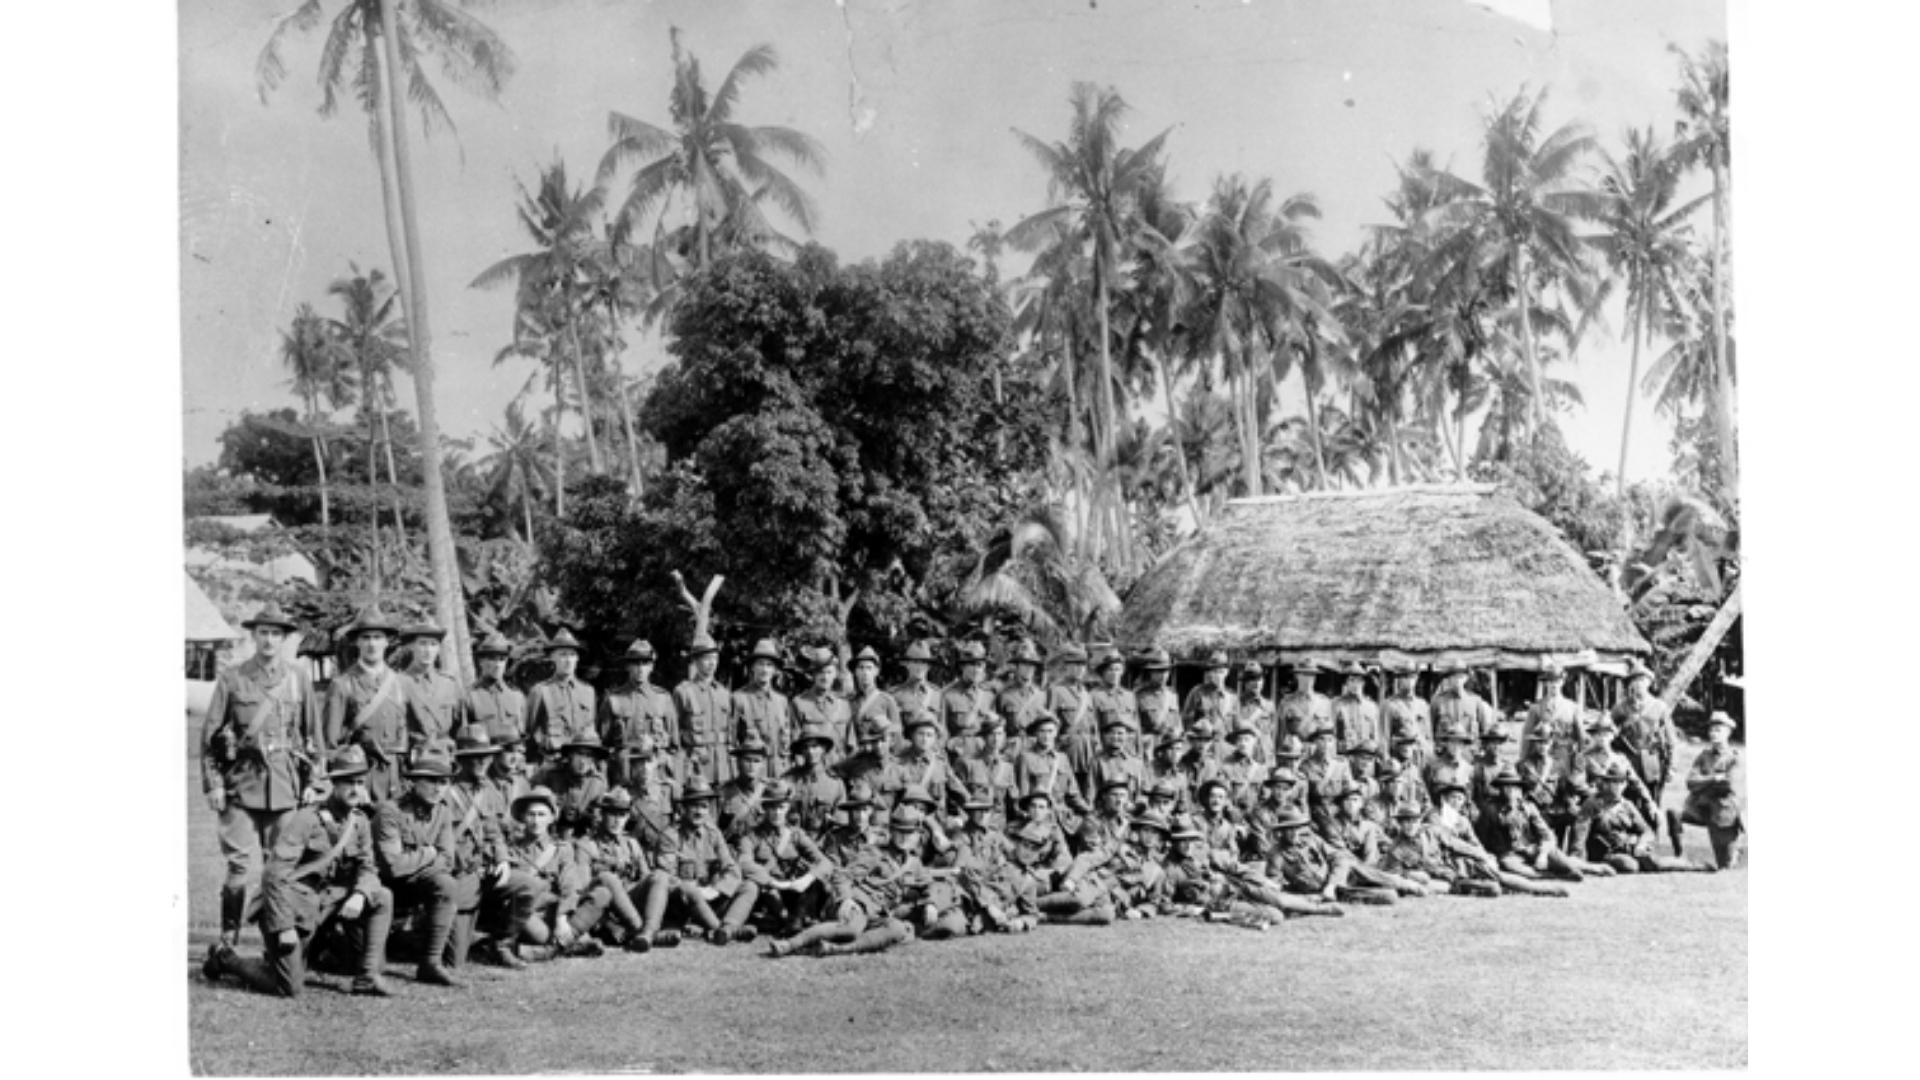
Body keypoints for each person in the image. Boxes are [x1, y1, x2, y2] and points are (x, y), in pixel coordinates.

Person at [203, 746, 392, 997]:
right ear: (334, 783)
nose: (356, 789)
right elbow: (273, 874)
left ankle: (367, 977)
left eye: (360, 782)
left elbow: (369, 867)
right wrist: (283, 927)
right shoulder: (307, 819)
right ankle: (226, 959)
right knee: (288, 987)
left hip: (328, 904)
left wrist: (360, 894)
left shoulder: (359, 821)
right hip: (294, 907)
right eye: (348, 782)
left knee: (382, 896)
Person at [201, 601, 320, 949]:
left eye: (276, 634)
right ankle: (228, 940)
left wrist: (315, 782)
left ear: (284, 639)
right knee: (238, 867)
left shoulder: (297, 679)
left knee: (277, 866)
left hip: (284, 786)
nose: (269, 640)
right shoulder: (233, 678)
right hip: (241, 784)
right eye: (263, 633)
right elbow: (209, 737)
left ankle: (274, 940)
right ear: (254, 636)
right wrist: (214, 784)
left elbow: (314, 737)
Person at [766, 807, 926, 958]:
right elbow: (843, 876)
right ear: (891, 832)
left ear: (917, 836)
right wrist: (846, 899)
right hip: (859, 903)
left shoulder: (914, 863)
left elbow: (929, 884)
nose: (905, 838)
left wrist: (931, 903)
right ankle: (789, 944)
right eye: (900, 832)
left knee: (897, 928)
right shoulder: (875, 853)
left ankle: (836, 949)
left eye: (910, 833)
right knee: (851, 929)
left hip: (879, 914)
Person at [371, 747, 466, 986]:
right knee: (367, 964)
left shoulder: (442, 811)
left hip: (417, 882)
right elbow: (392, 867)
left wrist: (420, 860)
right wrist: (429, 853)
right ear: (414, 782)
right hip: (385, 887)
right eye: (431, 781)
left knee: (446, 883)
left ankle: (430, 963)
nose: (438, 788)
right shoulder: (390, 811)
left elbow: (448, 859)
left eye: (444, 782)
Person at [444, 727, 534, 971]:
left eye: (487, 756)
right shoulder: (445, 793)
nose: (484, 761)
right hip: (461, 874)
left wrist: (502, 860)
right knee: (455, 960)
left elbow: (493, 833)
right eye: (476, 756)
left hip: (486, 872)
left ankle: (501, 943)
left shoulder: (488, 791)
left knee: (528, 885)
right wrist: (470, 869)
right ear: (461, 759)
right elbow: (442, 844)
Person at [500, 785, 605, 961]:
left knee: (602, 894)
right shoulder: (512, 850)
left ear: (551, 818)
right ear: (523, 818)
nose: (536, 820)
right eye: (531, 814)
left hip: (555, 912)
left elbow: (569, 886)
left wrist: (561, 919)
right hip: (527, 915)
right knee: (539, 932)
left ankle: (550, 947)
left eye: (541, 815)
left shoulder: (562, 849)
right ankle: (560, 946)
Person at [324, 606, 411, 803]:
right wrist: (352, 783)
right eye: (366, 637)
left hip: (396, 778)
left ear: (387, 641)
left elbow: (408, 734)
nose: (372, 644)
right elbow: (331, 745)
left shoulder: (400, 683)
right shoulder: (342, 684)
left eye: (377, 637)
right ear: (356, 642)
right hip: (360, 777)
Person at [573, 788, 674, 951]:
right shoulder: (586, 845)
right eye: (612, 814)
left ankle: (647, 932)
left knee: (660, 876)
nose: (617, 821)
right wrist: (606, 923)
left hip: (631, 904)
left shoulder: (631, 843)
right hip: (605, 910)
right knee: (608, 878)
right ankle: (642, 932)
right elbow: (583, 893)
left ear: (628, 817)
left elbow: (646, 879)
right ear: (602, 815)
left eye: (622, 815)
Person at [1430, 781, 1569, 897]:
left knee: (1496, 875)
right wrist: (1480, 855)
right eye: (1452, 798)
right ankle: (1539, 888)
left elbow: (1475, 843)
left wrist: (1486, 856)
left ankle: (1545, 889)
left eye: (1460, 798)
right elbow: (1450, 842)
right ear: (1443, 799)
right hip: (1441, 863)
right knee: (1492, 882)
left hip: (1463, 861)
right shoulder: (1435, 817)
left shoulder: (1462, 820)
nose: (1456, 802)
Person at [1572, 762, 1714, 874]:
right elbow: (1580, 833)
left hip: (1629, 848)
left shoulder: (1627, 805)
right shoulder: (1593, 804)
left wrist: (1641, 844)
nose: (1618, 787)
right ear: (1606, 784)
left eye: (1621, 783)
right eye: (1613, 782)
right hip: (1604, 853)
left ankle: (1697, 866)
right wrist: (1578, 861)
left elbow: (1646, 830)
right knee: (1629, 865)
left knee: (1654, 862)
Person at [1478, 764, 1613, 882]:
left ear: (1520, 790)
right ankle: (1551, 875)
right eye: (1506, 788)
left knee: (1564, 863)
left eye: (1514, 788)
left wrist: (1542, 855)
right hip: (1509, 855)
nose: (1511, 792)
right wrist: (1489, 857)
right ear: (1500, 790)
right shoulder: (1489, 810)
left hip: (1533, 850)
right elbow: (1480, 839)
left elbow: (1547, 835)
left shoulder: (1528, 807)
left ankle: (1592, 868)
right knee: (1519, 870)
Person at [734, 780, 833, 938]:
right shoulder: (751, 837)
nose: (777, 812)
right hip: (769, 890)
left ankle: (794, 921)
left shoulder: (795, 835)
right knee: (757, 889)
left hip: (792, 890)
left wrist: (806, 879)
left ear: (787, 808)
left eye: (781, 807)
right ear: (764, 809)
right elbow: (744, 863)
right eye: (772, 807)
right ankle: (791, 921)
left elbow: (825, 862)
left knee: (816, 884)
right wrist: (773, 882)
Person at [1321, 785, 1435, 898]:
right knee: (1392, 885)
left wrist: (1398, 857)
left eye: (1355, 800)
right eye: (1347, 800)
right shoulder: (1332, 825)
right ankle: (1410, 886)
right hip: (1347, 870)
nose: (1351, 804)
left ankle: (1407, 884)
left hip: (1372, 870)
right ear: (1341, 804)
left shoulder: (1369, 826)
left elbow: (1387, 843)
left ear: (1361, 804)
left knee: (1390, 894)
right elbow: (1341, 853)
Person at [598, 640, 676, 789]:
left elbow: (674, 745)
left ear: (652, 666)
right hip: (623, 774)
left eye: (645, 663)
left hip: (654, 774)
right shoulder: (613, 699)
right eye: (635, 663)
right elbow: (603, 745)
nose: (640, 669)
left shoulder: (663, 698)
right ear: (628, 666)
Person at [1673, 711, 1745, 869]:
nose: (1713, 734)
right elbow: (1690, 782)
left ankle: (1735, 850)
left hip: (1723, 811)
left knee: (1724, 866)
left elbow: (1729, 785)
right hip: (1701, 806)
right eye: (1711, 730)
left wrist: (1703, 783)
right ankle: (1679, 853)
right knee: (1674, 813)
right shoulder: (1703, 756)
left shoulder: (1734, 758)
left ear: (1728, 732)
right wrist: (1714, 779)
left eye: (1718, 730)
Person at [1611, 659, 1678, 813]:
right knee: (1628, 805)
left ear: (1649, 682)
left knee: (1653, 806)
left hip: (1652, 762)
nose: (1639, 684)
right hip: (1628, 761)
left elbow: (1671, 740)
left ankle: (1653, 835)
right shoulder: (1621, 707)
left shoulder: (1659, 707)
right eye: (1635, 680)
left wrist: (1672, 768)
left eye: (1642, 680)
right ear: (1630, 684)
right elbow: (1609, 732)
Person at [526, 629, 596, 768]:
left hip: (581, 764)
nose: (568, 660)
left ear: (577, 659)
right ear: (553, 657)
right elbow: (529, 733)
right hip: (552, 763)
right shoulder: (540, 691)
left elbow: (592, 729)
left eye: (572, 655)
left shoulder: (588, 691)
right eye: (563, 655)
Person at [674, 632, 733, 786]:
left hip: (722, 766)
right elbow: (674, 734)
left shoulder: (724, 694)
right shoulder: (684, 692)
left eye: (714, 658)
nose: (711, 663)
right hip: (696, 765)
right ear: (696, 661)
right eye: (707, 658)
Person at [1013, 712, 1087, 834]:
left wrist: (1089, 810)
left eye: (1050, 731)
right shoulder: (1026, 758)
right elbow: (1023, 795)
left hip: (1063, 818)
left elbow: (1073, 793)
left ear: (1056, 733)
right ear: (1036, 733)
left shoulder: (1062, 758)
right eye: (1042, 731)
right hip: (1039, 817)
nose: (1046, 736)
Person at [400, 620, 465, 754]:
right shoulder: (399, 682)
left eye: (433, 644)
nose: (428, 650)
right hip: (415, 755)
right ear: (412, 646)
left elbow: (460, 727)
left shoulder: (449, 683)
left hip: (446, 755)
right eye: (422, 643)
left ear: (439, 648)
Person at [733, 640, 795, 778]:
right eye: (760, 664)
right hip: (751, 772)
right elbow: (732, 742)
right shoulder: (739, 698)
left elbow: (787, 739)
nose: (764, 669)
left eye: (769, 665)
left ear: (774, 670)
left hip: (778, 771)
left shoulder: (781, 701)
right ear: (752, 668)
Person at [533, 732, 611, 839]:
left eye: (589, 756)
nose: (583, 761)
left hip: (581, 838)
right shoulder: (549, 775)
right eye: (579, 754)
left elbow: (597, 820)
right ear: (570, 755)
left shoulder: (597, 783)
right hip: (547, 835)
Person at [892, 712, 968, 820]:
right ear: (912, 735)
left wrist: (965, 815)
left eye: (929, 735)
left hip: (937, 822)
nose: (924, 739)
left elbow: (958, 791)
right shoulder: (899, 763)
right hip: (907, 825)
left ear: (935, 738)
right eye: (920, 734)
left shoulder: (940, 763)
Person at [1518, 660, 1584, 773]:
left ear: (1563, 682)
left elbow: (1581, 738)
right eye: (1550, 681)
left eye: (1557, 680)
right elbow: (1527, 738)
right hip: (1542, 758)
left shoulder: (1573, 708)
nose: (1554, 684)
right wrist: (1523, 760)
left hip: (1565, 757)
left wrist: (1580, 761)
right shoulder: (1536, 708)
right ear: (1546, 683)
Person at [953, 717, 1017, 831]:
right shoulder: (967, 763)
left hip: (998, 827)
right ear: (984, 737)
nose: (996, 738)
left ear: (1004, 736)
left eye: (999, 734)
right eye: (991, 734)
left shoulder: (1008, 767)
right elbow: (956, 797)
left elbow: (1012, 802)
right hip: (972, 824)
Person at [464, 634, 528, 746]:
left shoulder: (517, 696)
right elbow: (463, 739)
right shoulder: (470, 696)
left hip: (512, 759)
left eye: (502, 659)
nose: (497, 665)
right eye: (492, 659)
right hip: (485, 759)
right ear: (481, 661)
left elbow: (523, 734)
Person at [783, 723, 846, 836]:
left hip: (824, 844)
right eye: (806, 747)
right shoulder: (788, 780)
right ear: (801, 751)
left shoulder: (835, 783)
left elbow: (841, 822)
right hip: (793, 842)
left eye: (815, 746)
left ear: (823, 749)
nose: (810, 752)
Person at [940, 641, 998, 761]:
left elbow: (995, 730)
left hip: (983, 754)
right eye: (971, 665)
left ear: (984, 668)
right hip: (958, 753)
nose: (976, 670)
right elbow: (942, 731)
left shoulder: (988, 695)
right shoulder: (947, 694)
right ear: (962, 667)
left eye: (979, 665)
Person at [1084, 649, 1138, 768]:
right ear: (1103, 673)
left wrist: (1138, 751)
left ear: (1122, 671)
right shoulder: (1094, 696)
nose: (1114, 673)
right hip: (1106, 753)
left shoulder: (1130, 696)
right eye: (1110, 669)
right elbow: (1093, 727)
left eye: (1117, 669)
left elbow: (1136, 726)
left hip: (1128, 751)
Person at [717, 731, 775, 840]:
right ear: (738, 762)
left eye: (756, 761)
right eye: (747, 760)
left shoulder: (770, 790)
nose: (751, 765)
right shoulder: (723, 792)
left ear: (763, 764)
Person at [836, 646, 888, 761]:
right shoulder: (847, 701)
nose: (865, 672)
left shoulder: (887, 700)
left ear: (876, 671)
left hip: (877, 758)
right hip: (853, 758)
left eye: (869, 668)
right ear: (855, 672)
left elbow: (896, 736)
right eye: (861, 668)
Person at [887, 641, 942, 748]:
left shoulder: (937, 694)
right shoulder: (895, 695)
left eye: (923, 663)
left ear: (929, 666)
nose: (919, 667)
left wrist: (937, 747)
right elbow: (893, 731)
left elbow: (942, 728)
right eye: (915, 662)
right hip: (905, 753)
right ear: (907, 664)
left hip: (932, 752)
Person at [1046, 644, 1094, 765]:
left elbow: (1094, 726)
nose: (1080, 669)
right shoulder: (1056, 690)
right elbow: (1049, 722)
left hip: (1088, 751)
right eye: (1076, 664)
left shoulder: (1086, 694)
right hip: (1066, 750)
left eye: (1083, 665)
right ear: (1066, 666)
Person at [1299, 726, 1355, 830]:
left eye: (1329, 740)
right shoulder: (1306, 766)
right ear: (1315, 742)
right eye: (1321, 739)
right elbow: (1303, 798)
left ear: (1333, 743)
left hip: (1338, 814)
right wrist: (1308, 820)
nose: (1325, 744)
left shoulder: (1341, 764)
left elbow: (1349, 792)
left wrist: (1346, 813)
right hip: (1316, 815)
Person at [1380, 661, 1433, 768]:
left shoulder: (1423, 705)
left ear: (1416, 679)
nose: (1408, 681)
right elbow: (1383, 738)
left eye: (1411, 677)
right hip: (1399, 759)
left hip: (1420, 758)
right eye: (1404, 677)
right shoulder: (1390, 705)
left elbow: (1428, 736)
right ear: (1398, 680)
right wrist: (1387, 762)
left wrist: (1429, 757)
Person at [819, 781, 885, 867]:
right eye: (856, 811)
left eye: (865, 810)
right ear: (849, 812)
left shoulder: (879, 838)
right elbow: (833, 868)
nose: (860, 816)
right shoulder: (835, 837)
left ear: (871, 811)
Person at [1084, 716, 1146, 807]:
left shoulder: (1136, 763)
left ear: (1127, 736)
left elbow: (1142, 793)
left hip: (1130, 811)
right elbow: (1090, 793)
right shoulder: (1097, 761)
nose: (1116, 737)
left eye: (1120, 733)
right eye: (1112, 733)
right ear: (1105, 736)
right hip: (1105, 811)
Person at [1430, 663, 1498, 747]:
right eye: (1454, 676)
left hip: (1470, 752)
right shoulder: (1438, 702)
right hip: (1446, 753)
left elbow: (1483, 731)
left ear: (1466, 678)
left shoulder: (1475, 701)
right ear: (1449, 679)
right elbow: (1430, 731)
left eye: (1461, 676)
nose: (1457, 680)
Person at [1181, 651, 1238, 748]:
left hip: (1225, 746)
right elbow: (1187, 722)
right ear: (1210, 672)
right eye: (1214, 671)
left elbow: (1236, 725)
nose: (1217, 675)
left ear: (1227, 672)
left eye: (1221, 671)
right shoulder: (1198, 693)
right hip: (1203, 745)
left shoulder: (1232, 697)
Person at [1213, 721, 1269, 816]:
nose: (1243, 743)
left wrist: (1257, 814)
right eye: (1239, 740)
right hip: (1232, 817)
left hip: (1256, 817)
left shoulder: (1261, 770)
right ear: (1235, 743)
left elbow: (1265, 797)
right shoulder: (1226, 767)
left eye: (1247, 740)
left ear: (1254, 742)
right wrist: (1232, 811)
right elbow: (1222, 795)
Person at [1133, 647, 1181, 748]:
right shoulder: (1139, 696)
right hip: (1149, 747)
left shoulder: (1172, 696)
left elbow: (1179, 724)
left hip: (1169, 748)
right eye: (1158, 671)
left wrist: (1176, 732)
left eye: (1165, 671)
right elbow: (1133, 729)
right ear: (1150, 672)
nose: (1163, 675)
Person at [1331, 662, 1382, 756]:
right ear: (1346, 682)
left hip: (1366, 756)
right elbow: (1331, 734)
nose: (1355, 684)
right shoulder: (1336, 704)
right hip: (1344, 755)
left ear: (1363, 682)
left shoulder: (1371, 707)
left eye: (1359, 680)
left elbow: (1376, 737)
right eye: (1351, 680)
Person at [1277, 659, 1332, 742]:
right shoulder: (1286, 703)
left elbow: (1330, 732)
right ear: (1297, 676)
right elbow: (1279, 734)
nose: (1308, 679)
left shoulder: (1324, 702)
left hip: (1317, 751)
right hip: (1293, 751)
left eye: (1311, 675)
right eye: (1304, 674)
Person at [1235, 662, 1276, 763]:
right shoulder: (1236, 704)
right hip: (1243, 756)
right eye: (1253, 679)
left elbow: (1274, 736)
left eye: (1260, 679)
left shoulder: (1269, 706)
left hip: (1264, 757)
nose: (1257, 683)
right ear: (1245, 682)